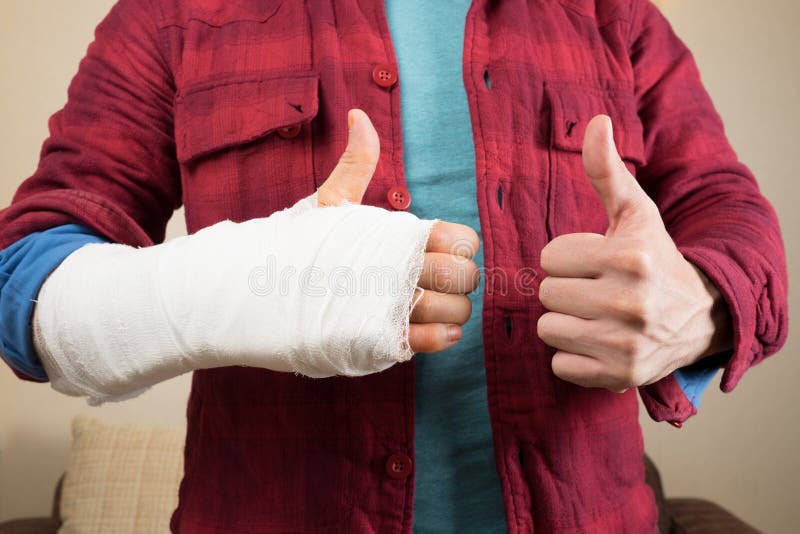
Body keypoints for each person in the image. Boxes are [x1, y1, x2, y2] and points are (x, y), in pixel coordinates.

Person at [0, 0, 787, 532]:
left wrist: (703, 307)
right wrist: (242, 284)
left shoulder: (609, 13)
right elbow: (24, 273)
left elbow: (730, 210)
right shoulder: (175, 12)